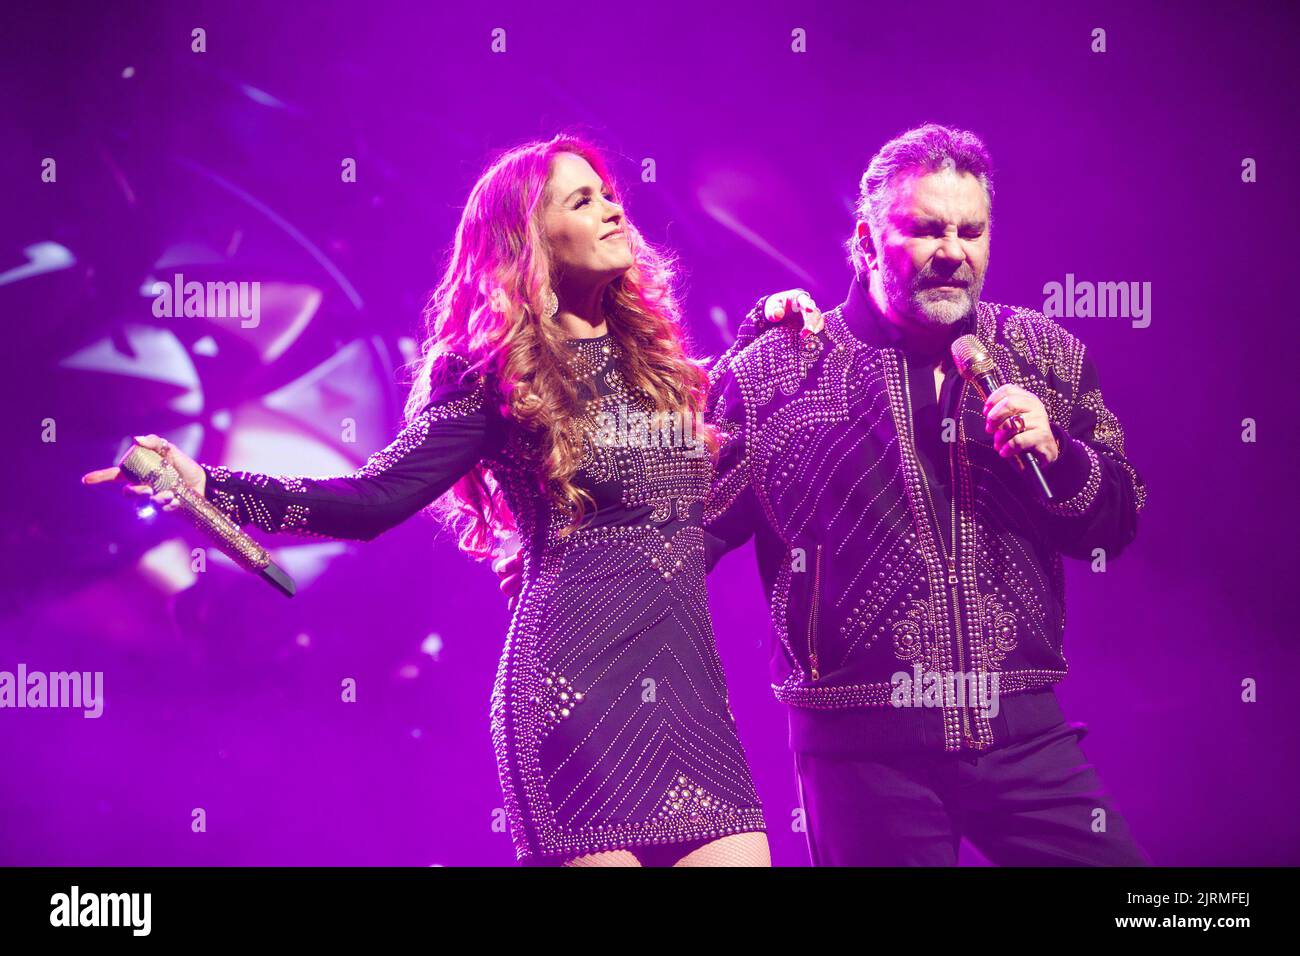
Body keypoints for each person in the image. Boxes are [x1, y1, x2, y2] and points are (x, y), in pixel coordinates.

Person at [82, 135, 770, 867]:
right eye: (582, 200)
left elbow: (710, 507)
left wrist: (775, 336)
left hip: (691, 703)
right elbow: (372, 500)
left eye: (609, 196)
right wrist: (209, 484)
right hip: (576, 699)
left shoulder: (662, 370)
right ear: (530, 242)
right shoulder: (497, 378)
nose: (610, 211)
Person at [703, 123, 1150, 865]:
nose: (954, 252)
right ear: (868, 238)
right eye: (926, 229)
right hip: (862, 759)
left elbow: (1117, 523)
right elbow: (686, 534)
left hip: (1026, 739)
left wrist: (1060, 458)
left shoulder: (1044, 354)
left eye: (971, 231)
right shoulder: (779, 374)